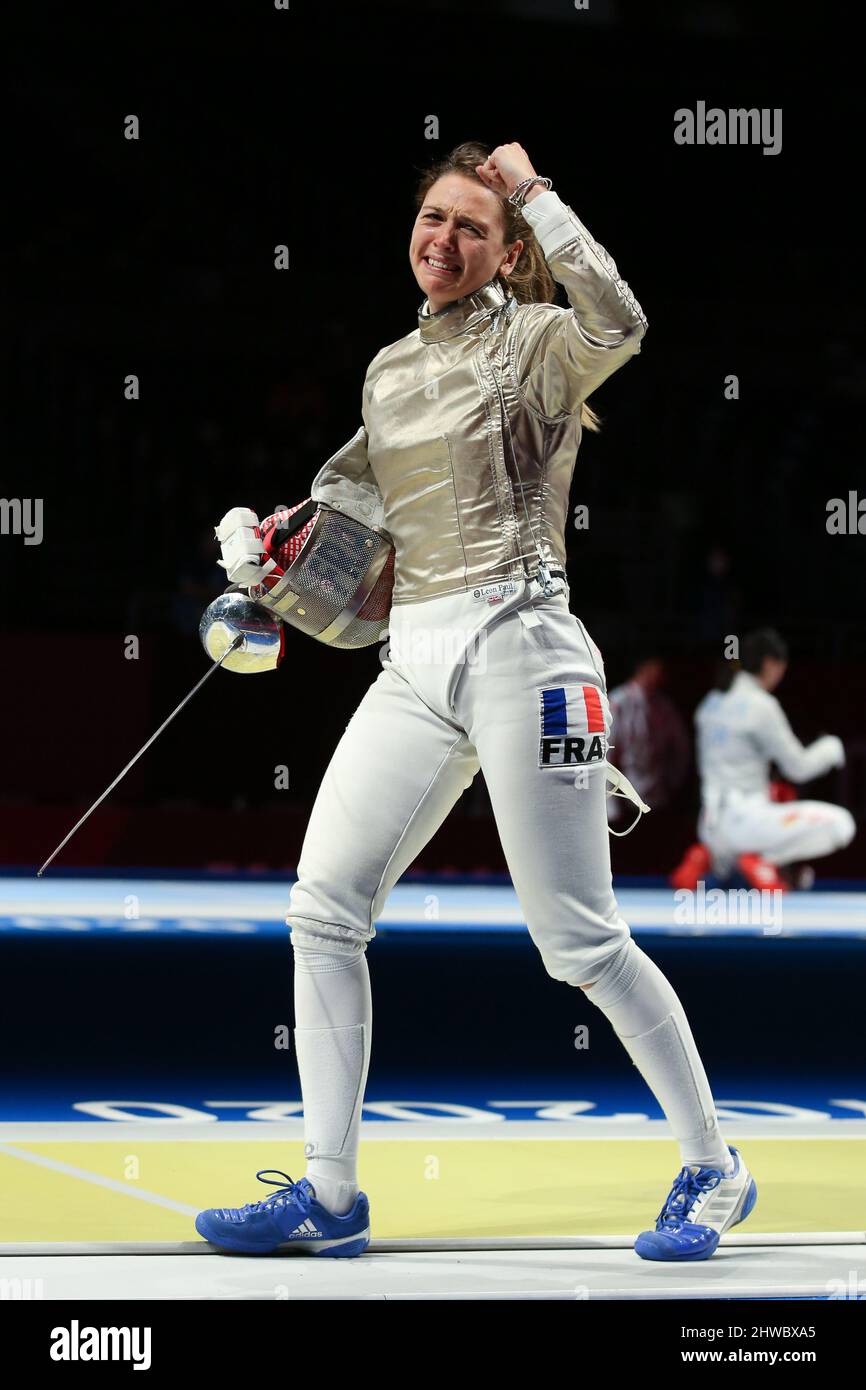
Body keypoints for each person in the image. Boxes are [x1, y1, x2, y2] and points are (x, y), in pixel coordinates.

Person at [195, 141, 757, 1263]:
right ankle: (330, 1193)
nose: (439, 240)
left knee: (577, 943)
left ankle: (713, 1166)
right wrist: (265, 556)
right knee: (322, 909)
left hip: (526, 651)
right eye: (430, 220)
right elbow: (349, 541)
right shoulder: (387, 371)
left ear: (505, 251)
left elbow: (622, 321)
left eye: (467, 226)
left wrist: (538, 190)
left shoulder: (538, 344)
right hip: (414, 660)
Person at [673, 629, 855, 891]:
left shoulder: (708, 705)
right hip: (746, 822)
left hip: (709, 826)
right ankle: (760, 858)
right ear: (770, 664)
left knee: (774, 797)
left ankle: (713, 858)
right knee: (841, 824)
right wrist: (831, 748)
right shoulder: (761, 705)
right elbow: (799, 768)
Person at [606, 652, 690, 829]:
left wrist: (672, 783)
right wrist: (611, 805)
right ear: (645, 668)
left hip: (658, 797)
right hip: (627, 799)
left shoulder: (664, 706)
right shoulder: (618, 702)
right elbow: (608, 753)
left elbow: (680, 749)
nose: (661, 676)